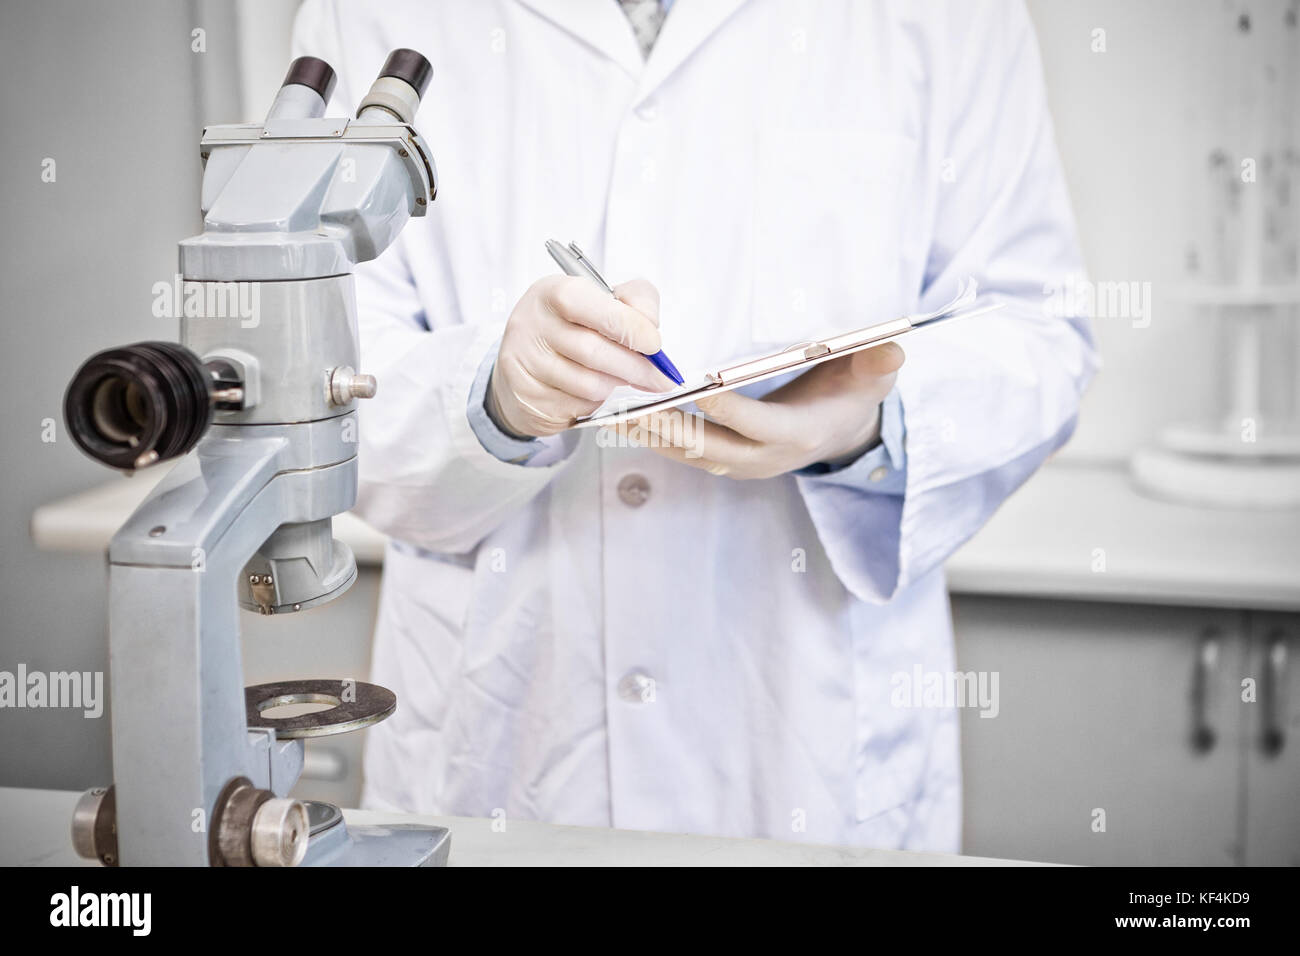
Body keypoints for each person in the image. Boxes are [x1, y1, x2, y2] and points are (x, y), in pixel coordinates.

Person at [291, 0, 1097, 851]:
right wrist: (497, 395)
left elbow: (1039, 330)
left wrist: (860, 420)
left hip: (804, 745)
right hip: (501, 745)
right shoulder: (367, 13)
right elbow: (315, 369)